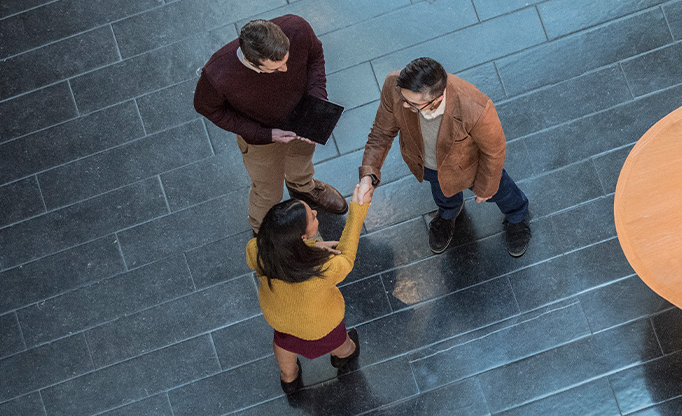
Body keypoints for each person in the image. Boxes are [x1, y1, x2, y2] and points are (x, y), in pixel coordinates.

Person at [352, 57, 532, 257]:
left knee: (501, 191)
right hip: (427, 164)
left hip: (469, 165)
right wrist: (368, 175)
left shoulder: (475, 108)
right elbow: (381, 133)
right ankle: (449, 212)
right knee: (441, 191)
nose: (403, 105)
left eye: (411, 104)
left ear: (436, 100)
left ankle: (517, 215)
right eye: (402, 98)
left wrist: (486, 187)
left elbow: (494, 151)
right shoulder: (394, 86)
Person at [194, 16, 349, 234]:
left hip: (302, 117)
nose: (285, 70)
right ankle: (262, 229)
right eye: (275, 69)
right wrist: (263, 134)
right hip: (260, 139)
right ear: (250, 62)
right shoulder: (217, 75)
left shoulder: (297, 28)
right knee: (267, 190)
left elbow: (315, 56)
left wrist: (316, 101)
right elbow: (208, 109)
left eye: (286, 61)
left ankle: (303, 187)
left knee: (302, 160)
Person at [246, 189, 370, 394]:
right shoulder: (323, 271)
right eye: (312, 216)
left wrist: (315, 246)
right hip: (321, 326)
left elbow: (285, 251)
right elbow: (346, 259)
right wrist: (358, 209)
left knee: (284, 349)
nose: (315, 212)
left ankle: (289, 378)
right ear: (303, 237)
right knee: (342, 344)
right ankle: (344, 356)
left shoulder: (257, 250)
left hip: (282, 323)